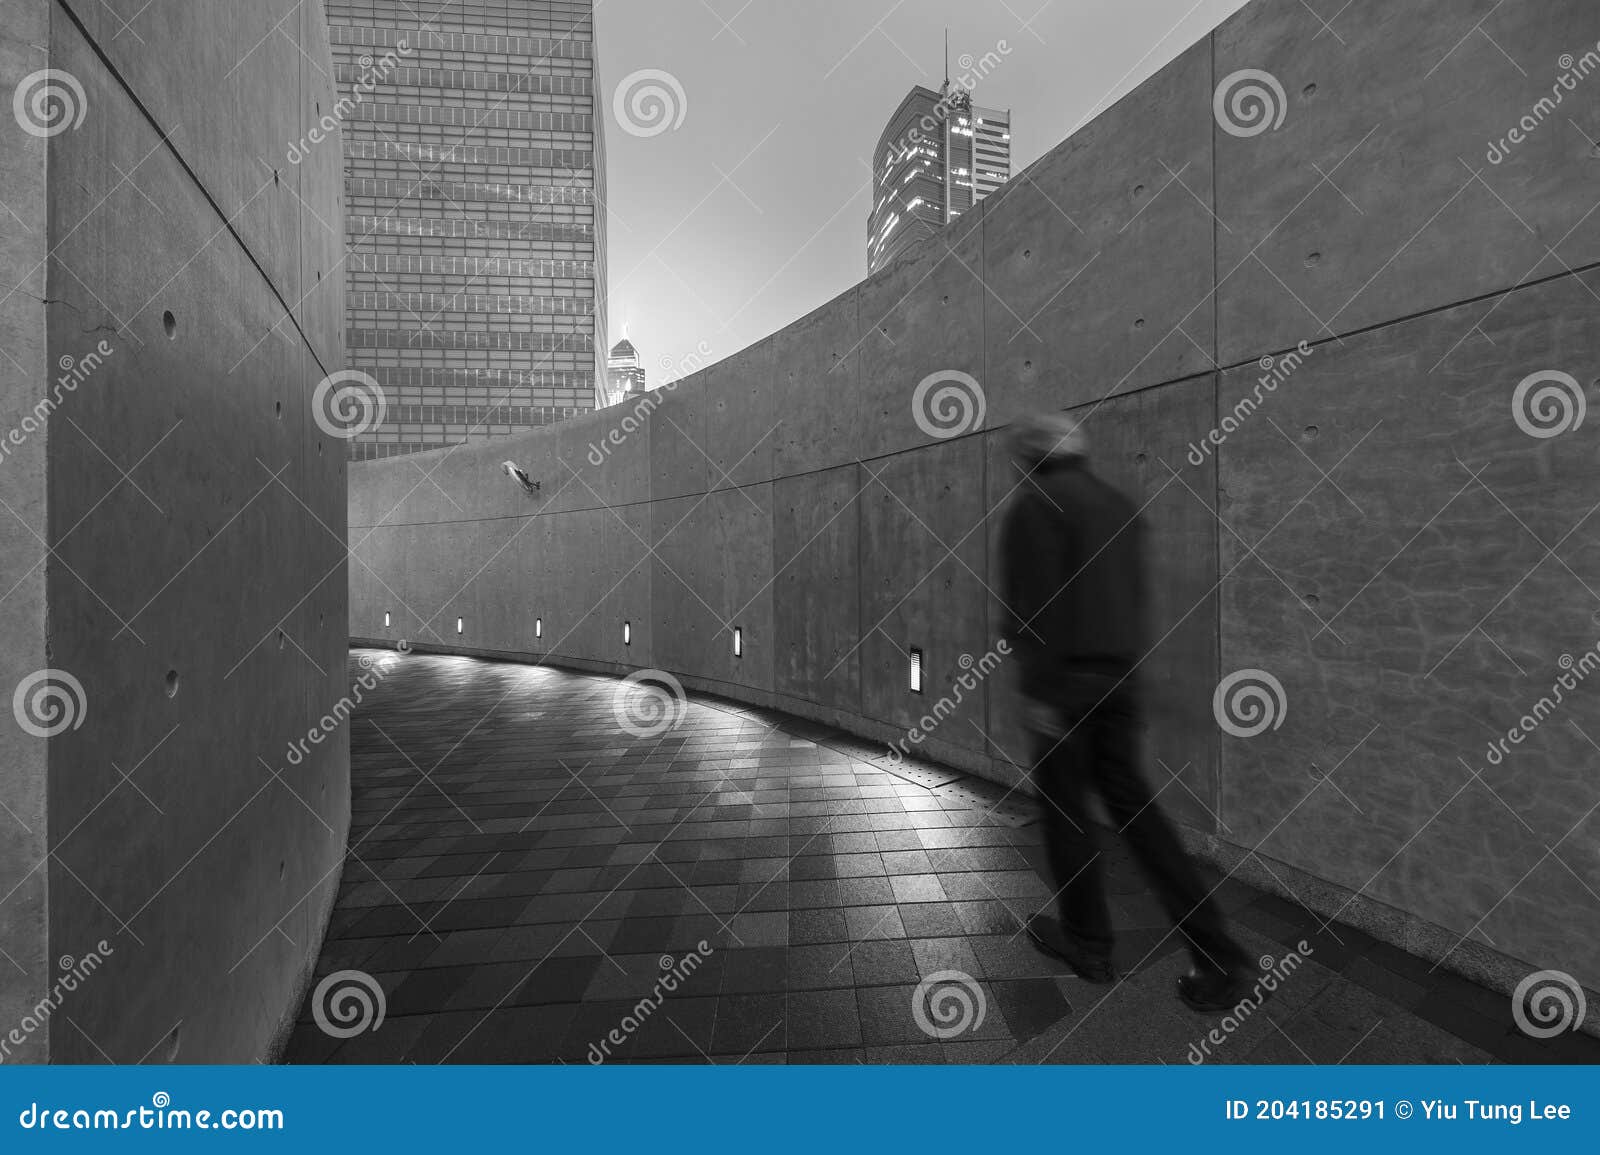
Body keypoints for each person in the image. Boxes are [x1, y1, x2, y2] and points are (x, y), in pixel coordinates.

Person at [999, 411, 1255, 1012]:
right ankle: (1219, 955)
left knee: (1065, 813)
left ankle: (1088, 944)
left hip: (1064, 686)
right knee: (1142, 821)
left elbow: (1032, 606)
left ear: (1030, 459)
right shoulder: (1118, 506)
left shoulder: (1035, 505)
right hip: (1118, 683)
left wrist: (1038, 691)